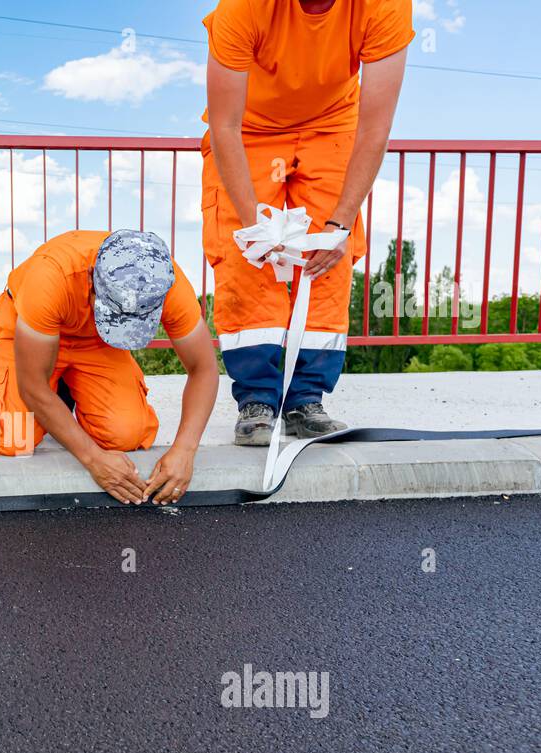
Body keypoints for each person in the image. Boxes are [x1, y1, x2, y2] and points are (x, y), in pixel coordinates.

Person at [202, 0, 413, 445]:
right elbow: (225, 126)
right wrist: (254, 226)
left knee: (326, 260)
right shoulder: (241, 9)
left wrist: (341, 224)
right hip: (251, 131)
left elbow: (375, 131)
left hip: (333, 127)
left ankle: (305, 401)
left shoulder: (385, 7)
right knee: (249, 257)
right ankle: (257, 401)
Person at [0, 229, 220, 506]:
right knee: (11, 437)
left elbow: (204, 369)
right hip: (33, 331)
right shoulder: (50, 277)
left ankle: (61, 390)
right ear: (91, 278)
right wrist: (93, 459)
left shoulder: (165, 283)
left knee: (126, 434)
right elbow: (32, 385)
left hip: (96, 341)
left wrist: (185, 450)